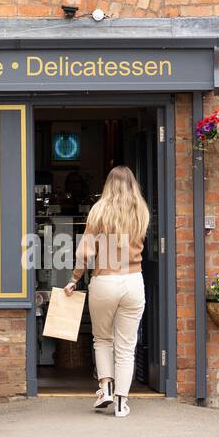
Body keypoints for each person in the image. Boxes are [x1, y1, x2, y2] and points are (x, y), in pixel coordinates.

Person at [64, 165, 149, 418]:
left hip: (105, 281)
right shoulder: (141, 211)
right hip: (134, 280)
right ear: (132, 185)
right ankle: (122, 403)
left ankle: (106, 388)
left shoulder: (98, 211)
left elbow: (85, 252)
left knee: (102, 339)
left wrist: (74, 278)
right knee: (126, 345)